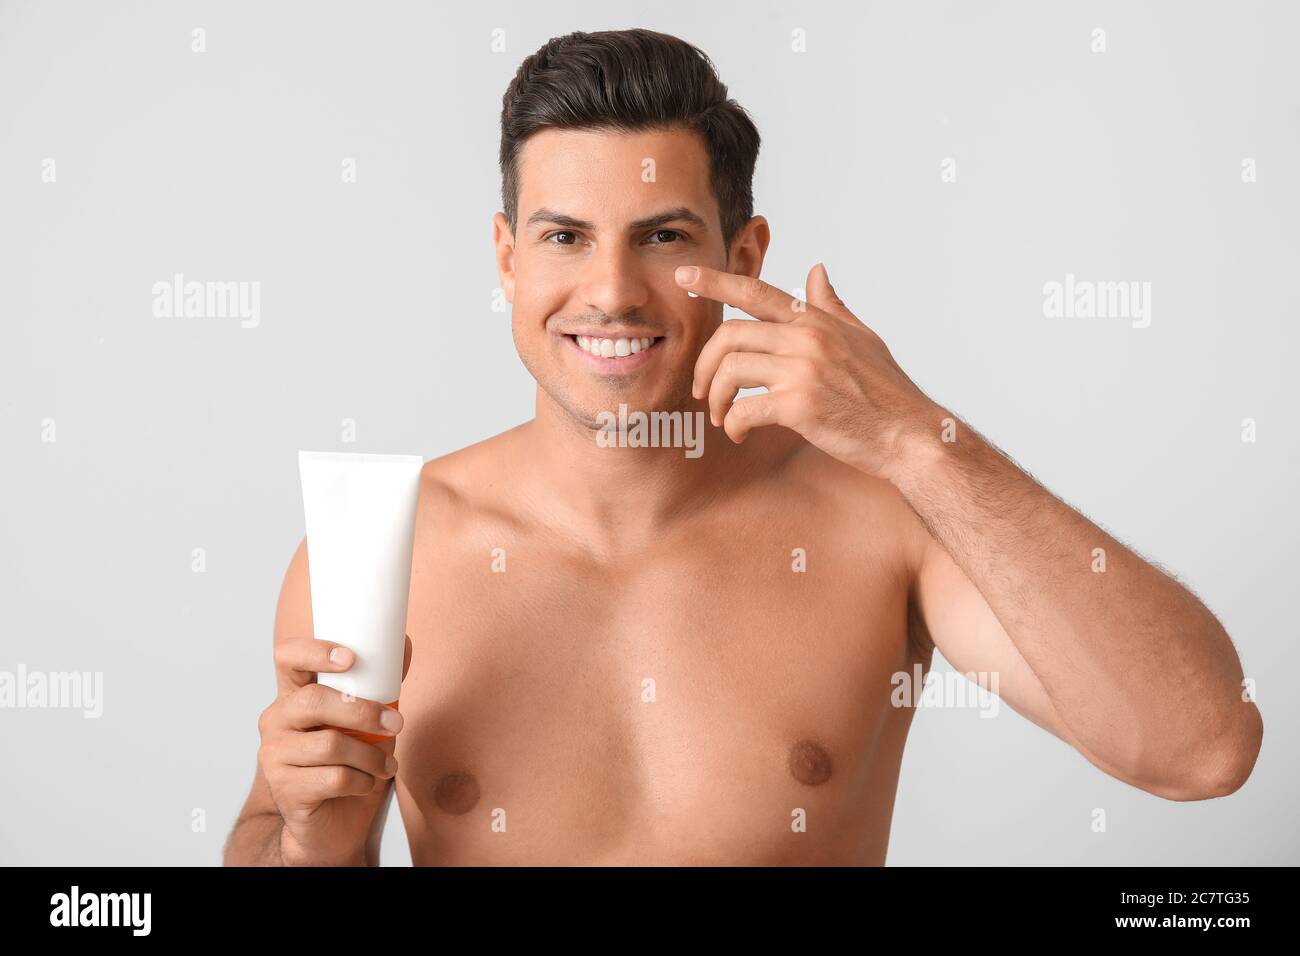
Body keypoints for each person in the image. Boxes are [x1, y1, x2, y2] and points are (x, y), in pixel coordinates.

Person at [224, 28, 1262, 866]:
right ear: (505, 257)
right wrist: (319, 842)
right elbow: (276, 849)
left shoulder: (880, 519)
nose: (612, 292)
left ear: (745, 253)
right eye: (564, 236)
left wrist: (916, 439)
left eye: (664, 236)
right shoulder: (384, 550)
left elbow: (1199, 746)